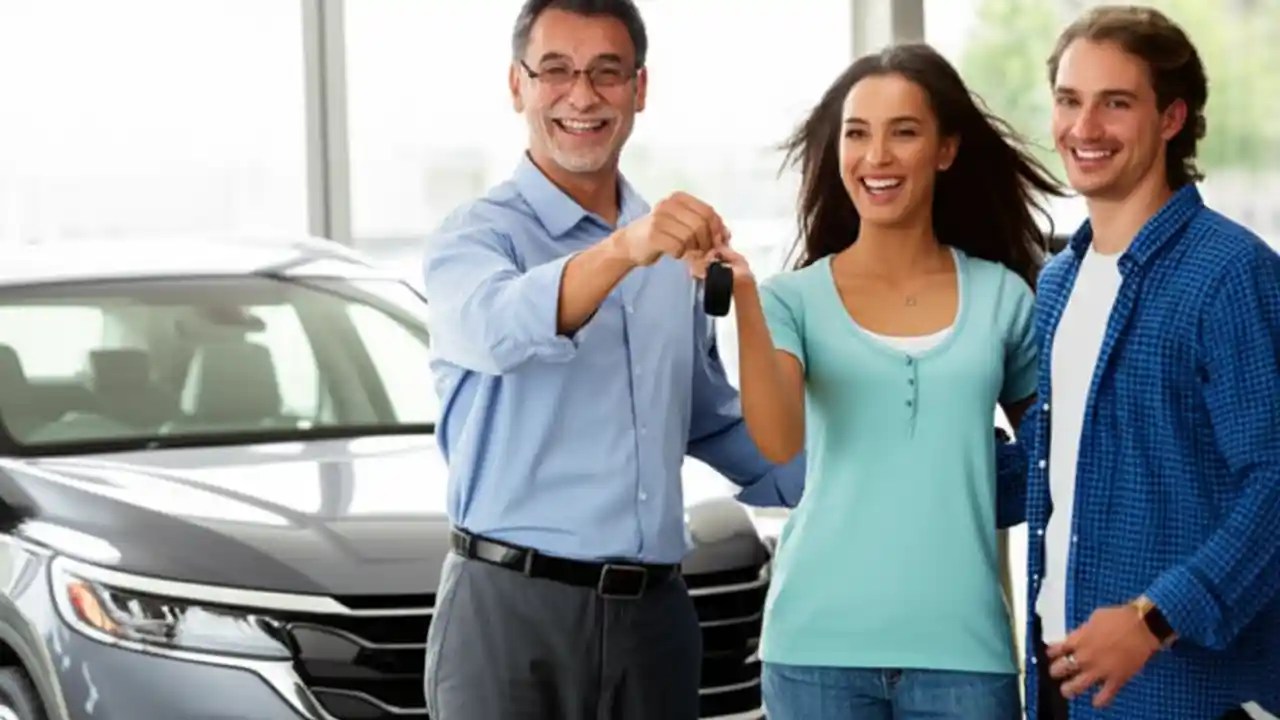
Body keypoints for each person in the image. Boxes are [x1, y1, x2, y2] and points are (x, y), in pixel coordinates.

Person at [417, 1, 804, 718]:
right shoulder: (473, 239)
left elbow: (710, 418)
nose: (583, 96)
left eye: (606, 72)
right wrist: (627, 247)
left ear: (639, 88)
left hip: (653, 625)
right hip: (508, 619)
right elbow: (500, 328)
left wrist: (869, 470)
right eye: (556, 71)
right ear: (518, 85)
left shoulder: (668, 256)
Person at [693, 43, 1063, 719]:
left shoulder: (1004, 298)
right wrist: (743, 295)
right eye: (857, 134)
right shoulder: (789, 301)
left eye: (904, 132)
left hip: (965, 652)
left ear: (946, 150)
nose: (877, 156)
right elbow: (778, 440)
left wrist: (971, 485)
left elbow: (1055, 459)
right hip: (815, 650)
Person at [1019, 6, 1280, 720]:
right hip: (1059, 674)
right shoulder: (1058, 283)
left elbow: (1274, 482)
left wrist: (1153, 618)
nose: (1084, 127)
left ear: (1171, 118)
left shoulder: (1232, 275)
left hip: (1185, 690)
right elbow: (1059, 462)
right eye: (1069, 100)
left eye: (1115, 103)